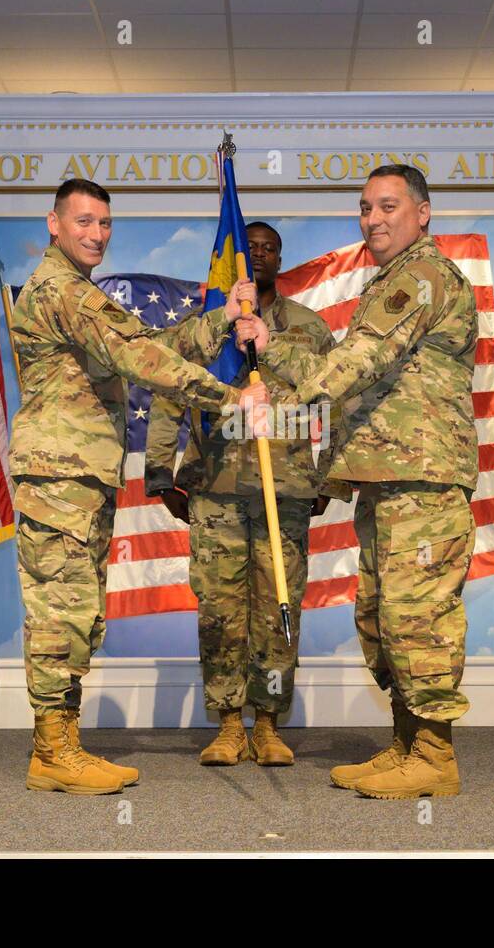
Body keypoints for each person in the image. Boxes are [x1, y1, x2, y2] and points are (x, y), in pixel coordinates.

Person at [9, 178, 269, 795]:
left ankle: (62, 744)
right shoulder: (59, 290)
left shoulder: (82, 294)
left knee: (79, 611)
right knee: (60, 613)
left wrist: (225, 318)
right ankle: (52, 752)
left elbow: (149, 345)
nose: (96, 234)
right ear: (53, 223)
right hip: (59, 476)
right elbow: (143, 361)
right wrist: (233, 399)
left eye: (104, 223)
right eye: (83, 222)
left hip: (77, 475)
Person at [236, 164, 477, 799]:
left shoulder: (423, 276)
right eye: (365, 208)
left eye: (388, 207)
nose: (373, 219)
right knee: (382, 615)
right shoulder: (388, 283)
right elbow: (348, 359)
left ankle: (434, 754)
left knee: (417, 615)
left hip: (420, 480)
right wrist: (271, 341)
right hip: (386, 479)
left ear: (422, 213)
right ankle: (406, 743)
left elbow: (358, 362)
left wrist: (284, 390)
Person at [145, 221, 345, 767]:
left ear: (281, 258)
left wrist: (328, 472)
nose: (259, 254)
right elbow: (169, 392)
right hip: (217, 486)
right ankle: (230, 723)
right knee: (220, 610)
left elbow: (333, 396)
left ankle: (270, 724)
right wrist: (161, 470)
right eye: (250, 246)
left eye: (269, 247)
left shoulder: (307, 328)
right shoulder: (208, 328)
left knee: (280, 604)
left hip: (286, 487)